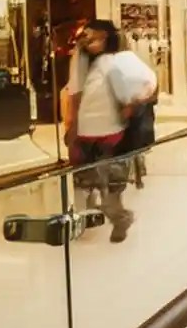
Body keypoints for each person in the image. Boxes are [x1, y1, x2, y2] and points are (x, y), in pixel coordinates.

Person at [65, 20, 156, 243]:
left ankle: (118, 217)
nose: (88, 42)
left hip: (108, 133)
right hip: (92, 131)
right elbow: (76, 95)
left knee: (107, 185)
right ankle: (99, 217)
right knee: (89, 181)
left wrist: (130, 107)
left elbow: (130, 93)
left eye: (94, 38)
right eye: (86, 37)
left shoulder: (113, 63)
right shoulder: (85, 61)